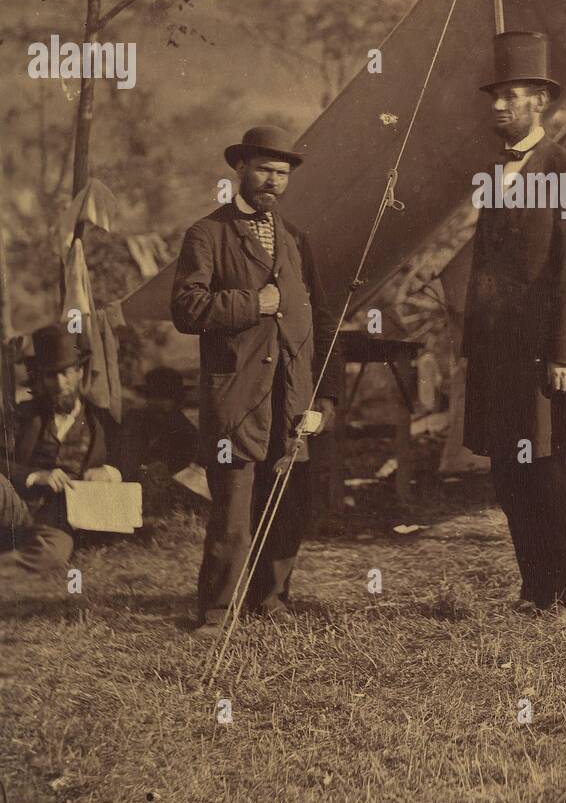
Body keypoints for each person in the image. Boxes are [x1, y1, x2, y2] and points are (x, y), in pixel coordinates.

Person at [171, 125, 341, 634]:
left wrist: (323, 398)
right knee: (232, 514)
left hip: (290, 401)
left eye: (282, 173)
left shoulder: (296, 240)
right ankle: (216, 613)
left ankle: (271, 602)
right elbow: (186, 307)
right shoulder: (206, 234)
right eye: (265, 170)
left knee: (287, 505)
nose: (273, 181)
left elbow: (323, 323)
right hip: (235, 399)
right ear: (240, 169)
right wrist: (254, 303)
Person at [462, 32, 566, 620]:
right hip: (497, 355)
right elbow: (484, 265)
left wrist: (564, 353)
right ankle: (536, 589)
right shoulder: (494, 171)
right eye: (495, 96)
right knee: (509, 472)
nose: (498, 106)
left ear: (540, 101)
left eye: (512, 96)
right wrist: (471, 342)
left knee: (548, 472)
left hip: (545, 355)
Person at [0, 325, 119, 577]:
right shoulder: (23, 415)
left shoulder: (101, 420)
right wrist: (34, 476)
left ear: (79, 372)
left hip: (59, 520)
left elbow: (129, 462)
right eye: (50, 376)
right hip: (17, 506)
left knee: (55, 552)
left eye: (65, 374)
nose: (58, 383)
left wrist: (108, 472)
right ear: (40, 378)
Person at [116, 366, 198, 515]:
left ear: (178, 401)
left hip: (168, 504)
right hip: (128, 497)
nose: (158, 403)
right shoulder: (133, 421)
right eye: (153, 396)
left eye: (166, 397)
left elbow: (188, 474)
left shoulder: (188, 434)